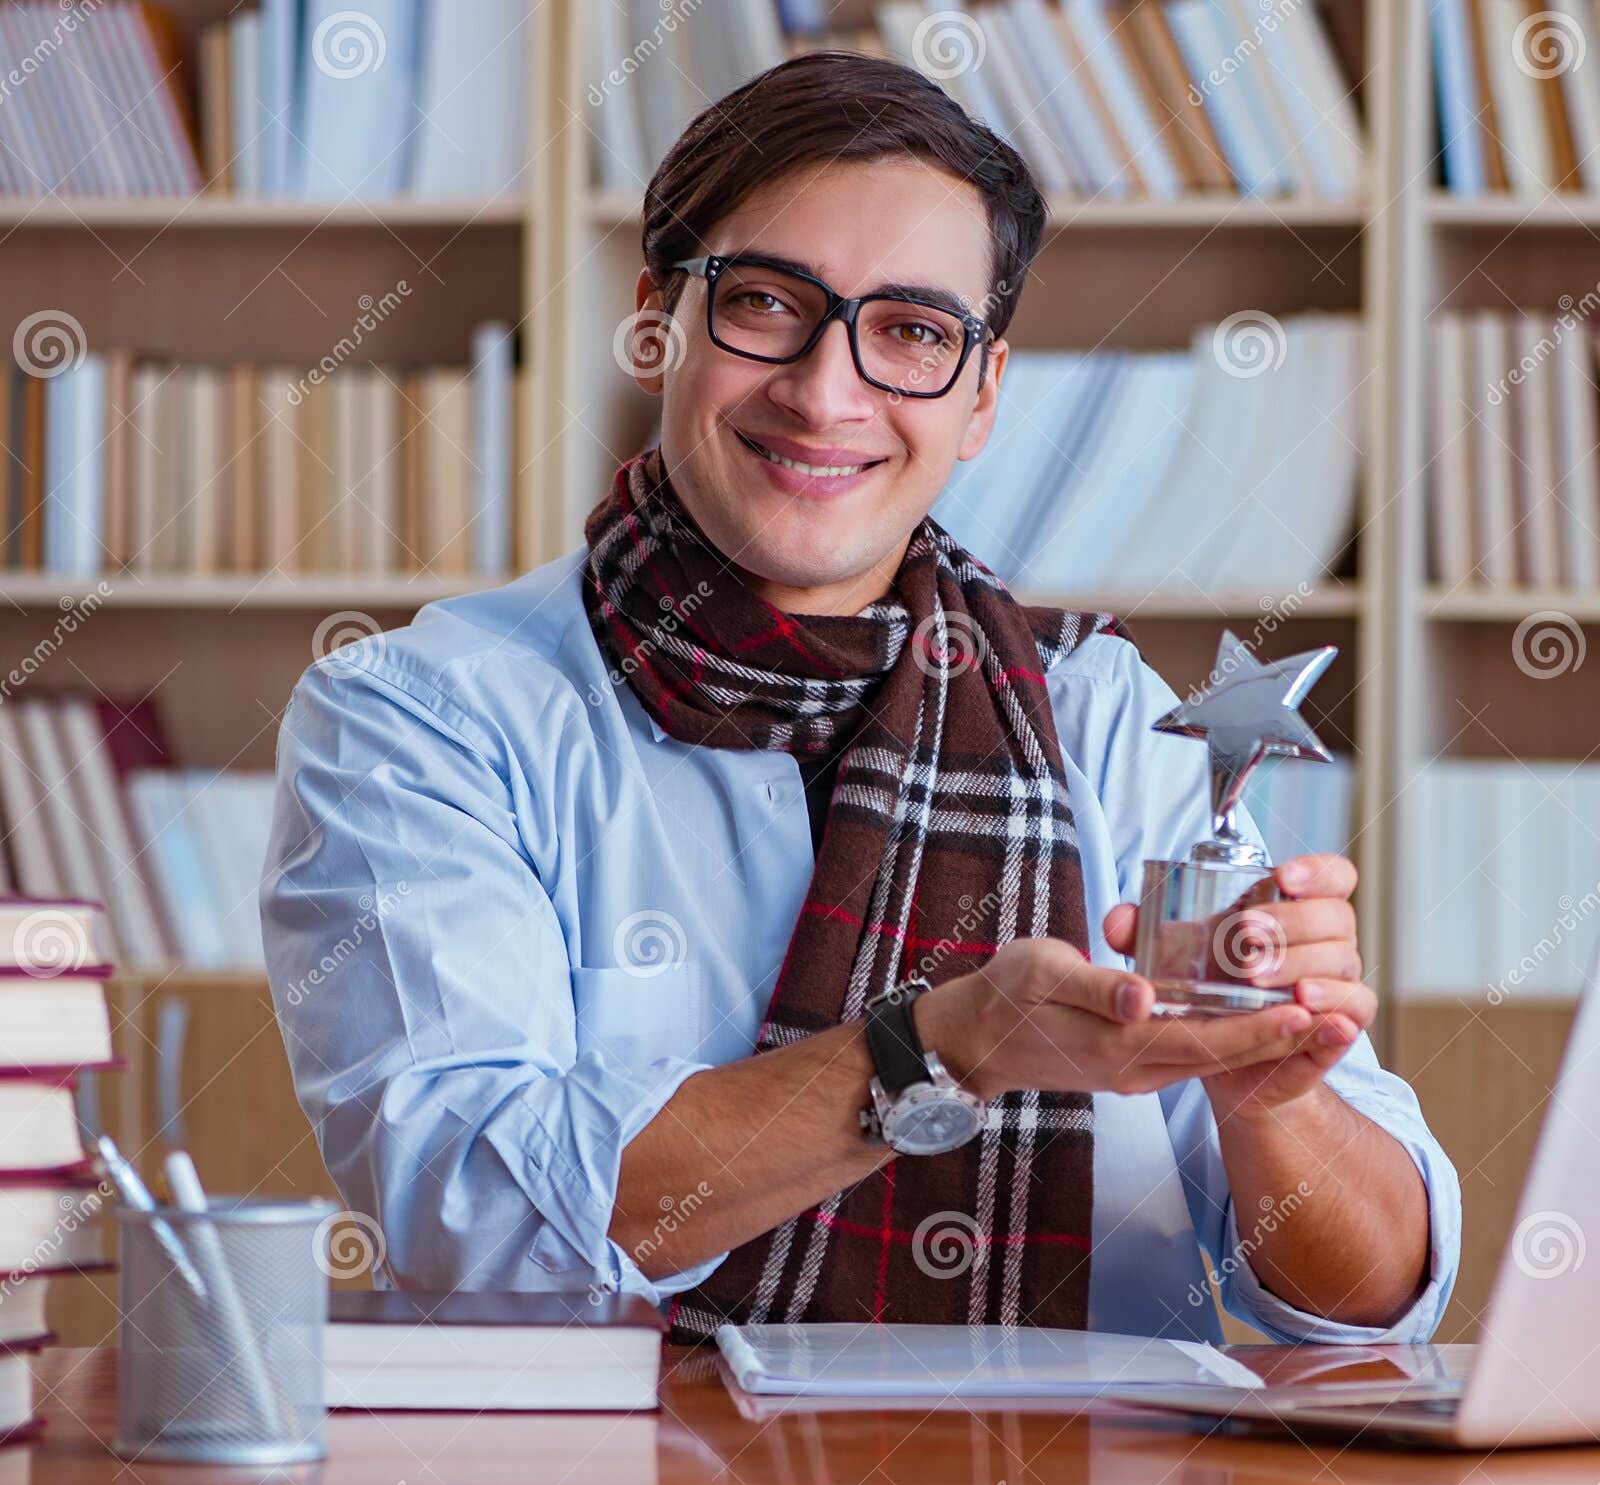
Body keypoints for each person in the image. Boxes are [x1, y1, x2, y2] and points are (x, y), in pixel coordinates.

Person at [261, 51, 1459, 1346]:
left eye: (911, 332)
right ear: (658, 317)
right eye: (769, 302)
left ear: (983, 393)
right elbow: (481, 1223)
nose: (826, 393)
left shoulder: (1104, 709)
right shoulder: (417, 716)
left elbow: (1378, 1301)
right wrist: (935, 1051)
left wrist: (1265, 1088)